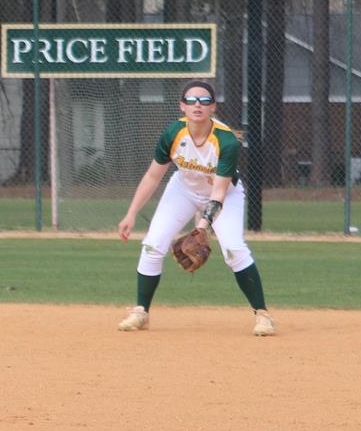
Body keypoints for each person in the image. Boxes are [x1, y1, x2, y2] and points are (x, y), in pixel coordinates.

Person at [115, 80, 275, 336]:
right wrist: (131, 213)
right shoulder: (173, 134)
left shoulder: (225, 141)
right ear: (182, 107)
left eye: (203, 100)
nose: (197, 105)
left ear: (213, 107)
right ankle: (140, 312)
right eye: (191, 100)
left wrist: (201, 228)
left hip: (226, 196)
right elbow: (153, 176)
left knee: (234, 250)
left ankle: (263, 315)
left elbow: (219, 192)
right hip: (183, 189)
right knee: (153, 244)